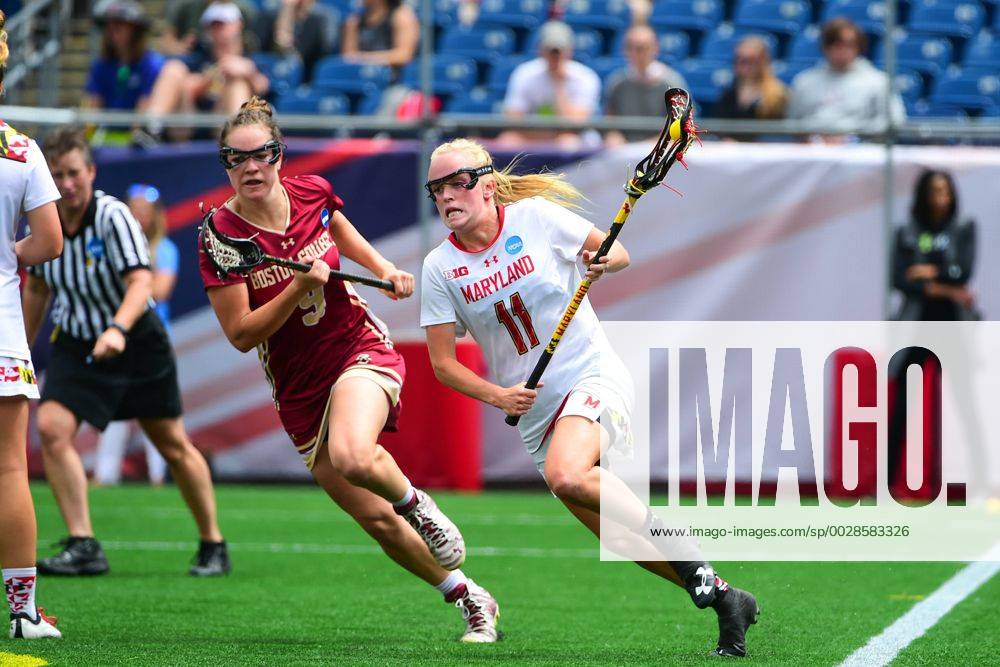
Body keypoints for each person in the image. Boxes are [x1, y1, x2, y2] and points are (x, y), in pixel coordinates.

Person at [420, 138, 760, 657]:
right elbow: (443, 365)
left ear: (487, 185)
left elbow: (615, 252)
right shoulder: (440, 268)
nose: (446, 196)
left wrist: (601, 265)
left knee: (567, 474)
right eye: (436, 188)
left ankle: (690, 559)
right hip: (534, 413)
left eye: (456, 182)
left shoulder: (535, 217)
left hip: (590, 375)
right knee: (617, 539)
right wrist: (498, 396)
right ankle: (724, 598)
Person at [198, 97, 499, 642]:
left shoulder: (311, 191)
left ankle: (420, 506)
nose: (249, 168)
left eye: (260, 155)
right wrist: (297, 288)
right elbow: (242, 335)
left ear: (278, 155)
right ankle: (469, 596)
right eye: (234, 160)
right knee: (377, 521)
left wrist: (382, 267)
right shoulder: (220, 237)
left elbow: (337, 228)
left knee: (354, 453)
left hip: (356, 348)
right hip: (298, 389)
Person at [21, 128, 230, 577]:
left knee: (171, 443)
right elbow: (36, 288)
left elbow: (140, 282)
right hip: (78, 343)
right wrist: (19, 349)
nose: (68, 183)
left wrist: (117, 327)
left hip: (135, 340)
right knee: (53, 428)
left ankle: (213, 541)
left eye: (74, 172)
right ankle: (83, 542)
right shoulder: (41, 219)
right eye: (57, 175)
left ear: (91, 172)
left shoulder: (113, 216)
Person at [0, 10, 64, 639]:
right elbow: (49, 240)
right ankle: (21, 612)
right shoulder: (20, 148)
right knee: (9, 469)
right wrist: (8, 253)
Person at [888, 170, 981, 490]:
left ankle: (981, 480)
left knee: (964, 404)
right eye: (934, 190)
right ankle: (887, 485)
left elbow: (962, 271)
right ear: (923, 195)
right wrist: (949, 287)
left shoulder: (963, 228)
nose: (940, 197)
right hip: (917, 328)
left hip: (952, 328)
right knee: (902, 405)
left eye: (945, 190)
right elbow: (899, 278)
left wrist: (929, 276)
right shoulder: (908, 231)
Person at [92, 184, 174, 487]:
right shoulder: (112, 244)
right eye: (134, 210)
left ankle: (158, 475)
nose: (140, 217)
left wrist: (135, 282)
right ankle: (105, 473)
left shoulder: (164, 249)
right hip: (120, 331)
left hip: (150, 334)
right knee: (114, 406)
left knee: (157, 409)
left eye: (145, 212)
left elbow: (161, 290)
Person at [144, 2, 269, 142]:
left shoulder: (251, 59)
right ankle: (150, 128)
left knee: (237, 83)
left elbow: (264, 88)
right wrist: (208, 79)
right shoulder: (197, 58)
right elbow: (183, 85)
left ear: (238, 24)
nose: (219, 31)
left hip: (223, 128)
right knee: (174, 68)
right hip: (188, 125)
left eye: (224, 24)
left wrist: (248, 72)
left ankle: (239, 143)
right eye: (213, 26)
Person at [786, 17, 905, 140]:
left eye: (848, 45)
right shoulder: (804, 81)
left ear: (859, 46)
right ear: (825, 47)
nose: (842, 51)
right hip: (811, 151)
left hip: (860, 152)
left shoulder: (878, 81)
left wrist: (853, 136)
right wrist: (815, 136)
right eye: (836, 45)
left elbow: (894, 121)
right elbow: (792, 122)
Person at [499, 21, 601, 148]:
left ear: (570, 50)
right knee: (508, 140)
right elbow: (513, 119)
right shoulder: (525, 73)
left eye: (559, 50)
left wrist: (558, 83)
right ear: (540, 50)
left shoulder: (585, 77)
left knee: (568, 142)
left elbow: (575, 124)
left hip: (572, 137)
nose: (555, 55)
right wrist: (544, 134)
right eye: (550, 50)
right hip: (533, 135)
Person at [604, 24, 688, 146]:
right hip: (623, 150)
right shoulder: (616, 82)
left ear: (655, 48)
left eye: (641, 48)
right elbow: (610, 120)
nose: (636, 53)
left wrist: (649, 146)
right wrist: (613, 136)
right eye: (630, 47)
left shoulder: (673, 84)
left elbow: (681, 127)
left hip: (660, 151)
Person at [83, 0, 164, 111]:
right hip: (106, 127)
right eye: (108, 25)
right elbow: (92, 107)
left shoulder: (152, 64)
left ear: (135, 29)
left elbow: (144, 111)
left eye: (119, 23)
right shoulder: (100, 66)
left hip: (137, 126)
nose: (112, 30)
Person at [256, 0, 337, 82]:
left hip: (308, 77)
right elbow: (268, 47)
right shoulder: (269, 14)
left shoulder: (321, 18)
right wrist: (287, 11)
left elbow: (325, 51)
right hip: (272, 74)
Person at [715, 36, 787, 123]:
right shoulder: (728, 93)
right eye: (739, 59)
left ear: (762, 62)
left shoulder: (778, 95)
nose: (744, 66)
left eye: (750, 61)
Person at [340, 0, 419, 73]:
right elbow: (348, 57)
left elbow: (403, 55)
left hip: (396, 80)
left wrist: (363, 58)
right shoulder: (354, 21)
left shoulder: (402, 16)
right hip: (361, 78)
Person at [160, 0, 258, 57]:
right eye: (215, 26)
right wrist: (181, 49)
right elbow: (166, 41)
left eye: (223, 25)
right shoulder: (186, 6)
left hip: (232, 62)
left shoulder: (244, 10)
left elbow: (250, 45)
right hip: (195, 62)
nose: (220, 31)